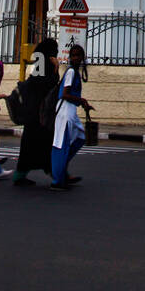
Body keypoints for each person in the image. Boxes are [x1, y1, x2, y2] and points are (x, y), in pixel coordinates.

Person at [13, 39, 60, 188]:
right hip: (36, 113)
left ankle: (54, 172)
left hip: (38, 111)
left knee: (41, 142)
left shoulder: (41, 58)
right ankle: (22, 174)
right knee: (36, 142)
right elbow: (42, 82)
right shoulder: (41, 59)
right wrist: (56, 69)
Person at [50, 44, 92, 191]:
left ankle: (62, 170)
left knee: (80, 137)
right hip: (65, 112)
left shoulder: (75, 72)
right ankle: (57, 179)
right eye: (73, 55)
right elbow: (65, 94)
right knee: (61, 145)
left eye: (78, 55)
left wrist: (82, 104)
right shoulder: (70, 72)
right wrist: (82, 101)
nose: (76, 58)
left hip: (71, 111)